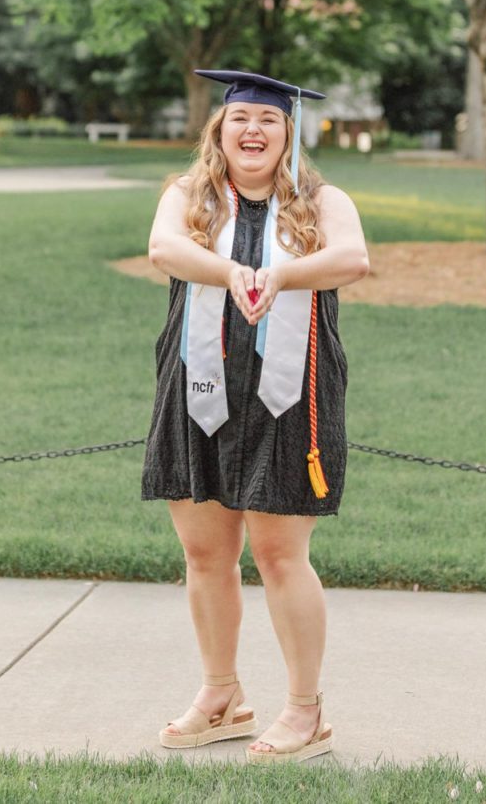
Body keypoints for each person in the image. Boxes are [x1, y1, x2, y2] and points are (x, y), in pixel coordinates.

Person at [142, 69, 371, 764]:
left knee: (278, 554)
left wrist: (277, 274)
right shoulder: (192, 197)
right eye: (241, 118)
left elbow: (353, 257)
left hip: (289, 395)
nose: (253, 131)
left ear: (288, 133)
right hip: (198, 392)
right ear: (220, 129)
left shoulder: (321, 202)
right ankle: (222, 694)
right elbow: (164, 249)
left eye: (268, 121)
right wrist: (231, 270)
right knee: (206, 552)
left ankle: (306, 711)